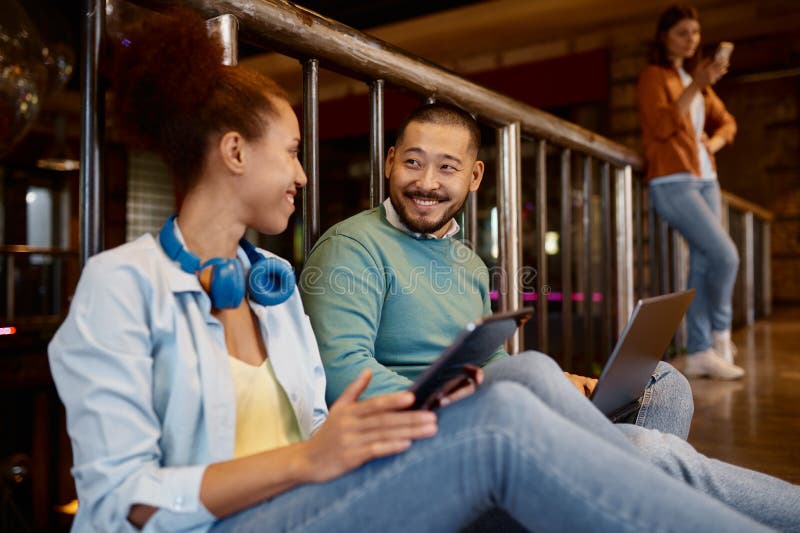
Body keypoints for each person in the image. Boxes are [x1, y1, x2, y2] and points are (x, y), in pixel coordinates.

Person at [47, 10, 777, 533]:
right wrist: (309, 461)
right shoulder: (122, 285)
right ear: (235, 153)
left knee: (548, 394)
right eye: (294, 150)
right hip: (249, 515)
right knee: (502, 421)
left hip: (320, 483)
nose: (304, 172)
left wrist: (426, 401)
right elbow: (121, 502)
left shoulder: (264, 277)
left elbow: (322, 413)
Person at [299, 103, 800, 531]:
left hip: (489, 412)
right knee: (645, 450)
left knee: (665, 382)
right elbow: (343, 373)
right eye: (412, 162)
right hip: (431, 440)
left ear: (474, 177)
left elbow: (489, 355)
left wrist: (559, 384)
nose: (426, 183)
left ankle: (609, 484)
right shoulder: (353, 247)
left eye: (447, 168)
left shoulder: (467, 262)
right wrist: (469, 397)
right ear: (389, 163)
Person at [636, 4, 743, 380]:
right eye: (683, 32)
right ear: (664, 36)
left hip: (705, 178)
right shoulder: (656, 77)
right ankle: (721, 335)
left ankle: (700, 351)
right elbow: (662, 127)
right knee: (725, 255)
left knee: (703, 260)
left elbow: (729, 123)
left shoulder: (692, 81)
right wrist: (697, 84)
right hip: (672, 179)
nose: (691, 39)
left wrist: (711, 145)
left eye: (695, 33)